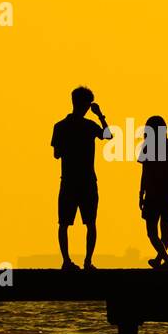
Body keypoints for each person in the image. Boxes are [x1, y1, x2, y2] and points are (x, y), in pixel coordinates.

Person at [51, 86, 112, 271]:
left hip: (69, 180)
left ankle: (67, 261)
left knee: (64, 223)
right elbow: (108, 135)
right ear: (86, 105)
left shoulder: (60, 126)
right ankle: (87, 261)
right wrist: (100, 115)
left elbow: (56, 154)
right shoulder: (89, 126)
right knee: (90, 223)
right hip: (85, 181)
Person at [138, 116, 168, 269]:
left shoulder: (146, 147)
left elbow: (145, 172)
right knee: (165, 229)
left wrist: (141, 193)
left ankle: (164, 259)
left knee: (152, 232)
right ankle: (162, 259)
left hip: (154, 194)